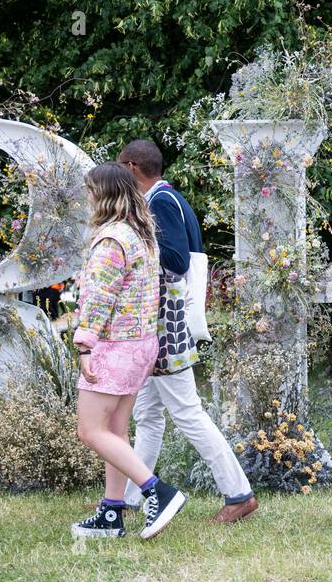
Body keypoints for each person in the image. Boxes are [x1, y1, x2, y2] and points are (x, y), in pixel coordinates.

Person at [117, 139, 259, 524]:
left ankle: (238, 493)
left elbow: (176, 261)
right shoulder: (169, 199)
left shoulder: (160, 203)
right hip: (159, 326)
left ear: (131, 169)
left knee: (188, 414)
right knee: (147, 415)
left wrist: (132, 247)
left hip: (166, 329)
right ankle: (128, 498)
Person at [70, 163, 187, 539]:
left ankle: (158, 491)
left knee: (90, 431)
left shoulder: (111, 240)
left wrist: (85, 344)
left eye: (90, 190)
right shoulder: (141, 235)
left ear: (102, 194)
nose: (87, 197)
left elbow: (101, 298)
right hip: (140, 346)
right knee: (116, 433)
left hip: (114, 346)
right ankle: (111, 513)